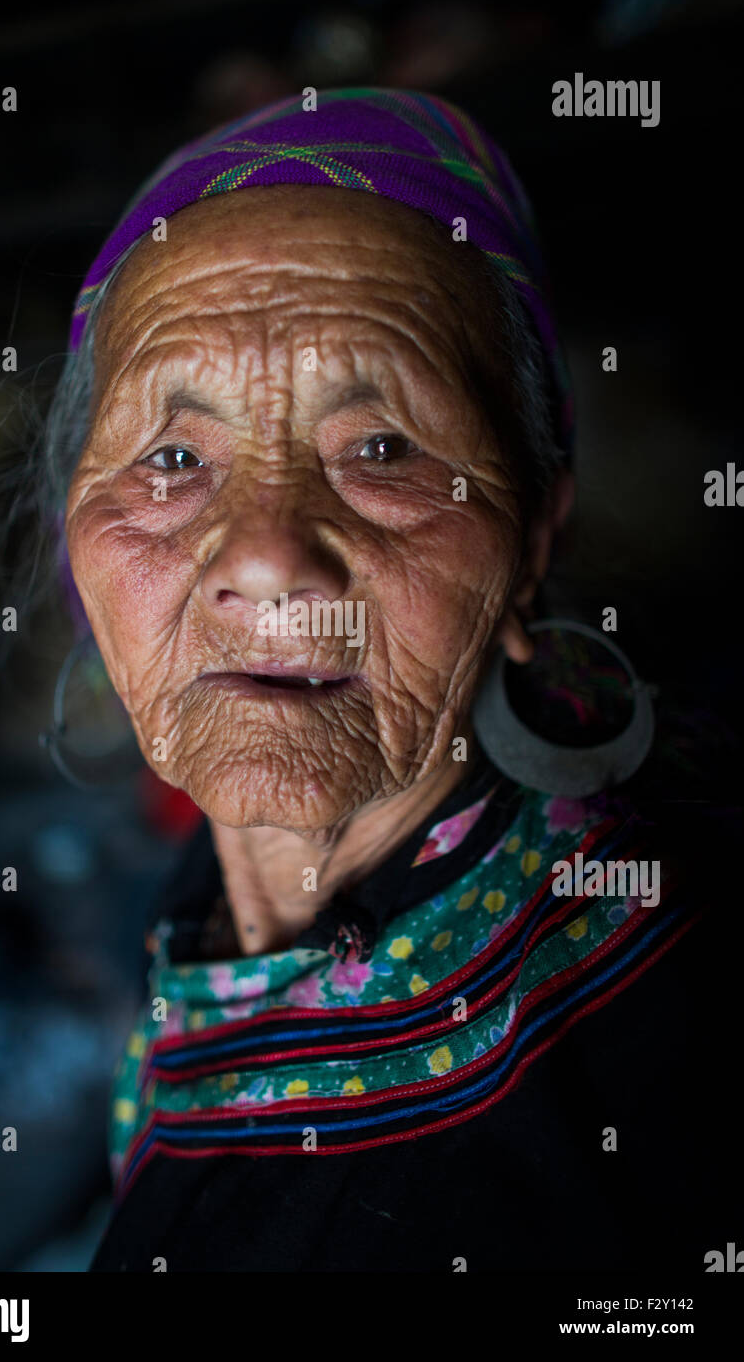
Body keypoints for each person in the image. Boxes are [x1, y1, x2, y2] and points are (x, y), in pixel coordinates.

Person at [36, 89, 733, 1271]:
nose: (263, 550)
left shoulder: (676, 1048)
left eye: (380, 446)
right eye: (170, 456)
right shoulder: (192, 911)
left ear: (528, 544)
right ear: (76, 541)